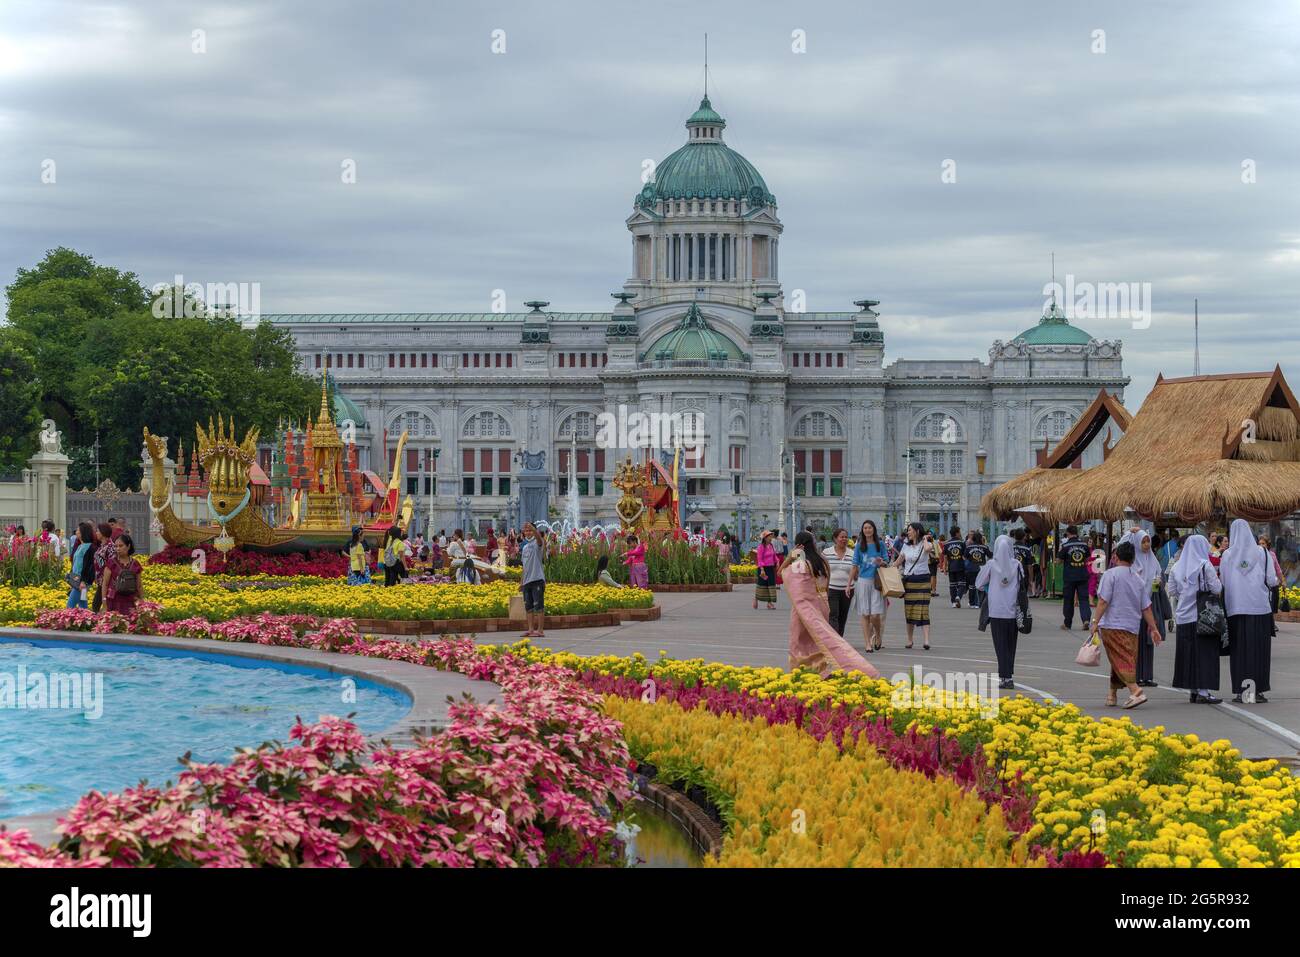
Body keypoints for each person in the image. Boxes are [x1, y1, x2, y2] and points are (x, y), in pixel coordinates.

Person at [780, 531, 878, 678]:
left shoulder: (801, 562)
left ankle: (801, 671)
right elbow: (827, 581)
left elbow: (783, 573)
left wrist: (790, 557)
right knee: (819, 639)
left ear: (799, 545)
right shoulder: (822, 559)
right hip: (822, 603)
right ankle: (821, 670)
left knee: (799, 640)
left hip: (804, 606)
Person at [1091, 540, 1163, 709]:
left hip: (1112, 624)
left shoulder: (1110, 575)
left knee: (1120, 659)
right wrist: (1153, 627)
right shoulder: (1137, 578)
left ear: (1116, 556)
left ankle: (1135, 691)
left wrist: (1095, 622)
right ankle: (1112, 694)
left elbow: (1103, 601)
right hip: (1132, 626)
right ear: (1133, 558)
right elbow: (1146, 606)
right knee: (1122, 658)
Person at [1222, 518, 1278, 703]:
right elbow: (1271, 580)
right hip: (1259, 608)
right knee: (1259, 651)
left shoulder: (1227, 555)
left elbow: (1222, 581)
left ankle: (1242, 692)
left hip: (1235, 608)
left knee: (1239, 651)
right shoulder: (1263, 552)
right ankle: (1258, 691)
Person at [1167, 534, 1222, 704]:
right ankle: (1204, 692)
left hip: (1183, 617)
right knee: (1205, 654)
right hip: (1203, 618)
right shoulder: (1205, 566)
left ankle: (1193, 690)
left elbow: (1172, 591)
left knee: (1188, 655)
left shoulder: (1177, 566)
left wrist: (1186, 594)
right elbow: (1217, 588)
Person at [976, 535, 1024, 689]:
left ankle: (1005, 677)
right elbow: (1022, 583)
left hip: (996, 610)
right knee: (1011, 645)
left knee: (1000, 645)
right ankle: (1008, 674)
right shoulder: (1017, 564)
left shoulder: (991, 564)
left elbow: (979, 584)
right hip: (1012, 610)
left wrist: (991, 588)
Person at [1123, 528, 1166, 688]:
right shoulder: (1132, 560)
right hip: (1134, 607)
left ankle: (1147, 676)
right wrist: (1130, 532)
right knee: (1136, 642)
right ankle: (1136, 676)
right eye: (1143, 541)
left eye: (1148, 541)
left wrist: (1157, 582)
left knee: (1149, 642)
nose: (1147, 544)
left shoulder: (1152, 559)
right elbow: (1123, 544)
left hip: (1149, 605)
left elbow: (1159, 576)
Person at [894, 521, 934, 650]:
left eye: (910, 530)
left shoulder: (926, 544)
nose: (908, 532)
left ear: (917, 531)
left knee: (923, 610)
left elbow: (928, 550)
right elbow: (898, 561)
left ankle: (926, 640)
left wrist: (925, 539)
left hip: (923, 581)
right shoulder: (906, 546)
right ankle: (910, 640)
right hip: (909, 581)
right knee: (909, 610)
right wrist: (886, 567)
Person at [852, 519, 888, 653]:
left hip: (877, 582)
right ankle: (867, 643)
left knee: (875, 615)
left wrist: (881, 562)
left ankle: (878, 635)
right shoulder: (859, 545)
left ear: (874, 529)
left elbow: (886, 560)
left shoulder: (881, 545)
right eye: (865, 528)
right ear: (862, 530)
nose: (867, 530)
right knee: (865, 614)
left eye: (869, 527)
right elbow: (855, 564)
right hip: (863, 582)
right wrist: (849, 582)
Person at [821, 528, 856, 636]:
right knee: (833, 615)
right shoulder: (826, 553)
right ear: (835, 539)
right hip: (832, 589)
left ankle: (839, 638)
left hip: (848, 590)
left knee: (843, 616)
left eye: (846, 537)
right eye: (841, 537)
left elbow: (856, 571)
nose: (844, 539)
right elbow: (822, 570)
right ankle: (834, 640)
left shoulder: (852, 553)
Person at [1058, 525, 1092, 630]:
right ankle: (1086, 620)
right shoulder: (1084, 545)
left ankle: (1067, 624)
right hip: (1082, 575)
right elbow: (1087, 559)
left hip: (1069, 576)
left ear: (1068, 533)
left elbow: (1059, 561)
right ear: (1077, 533)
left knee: (1068, 600)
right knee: (1084, 599)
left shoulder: (1065, 546)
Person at [101, 533, 143, 616]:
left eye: (121, 546)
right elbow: (105, 584)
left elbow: (139, 586)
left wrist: (142, 603)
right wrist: (104, 603)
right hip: (113, 601)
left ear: (128, 546)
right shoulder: (111, 563)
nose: (118, 549)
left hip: (130, 602)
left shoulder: (135, 564)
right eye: (116, 546)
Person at [519, 522, 547, 639]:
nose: (528, 532)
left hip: (537, 579)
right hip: (527, 581)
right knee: (528, 607)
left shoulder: (537, 544)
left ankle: (540, 630)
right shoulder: (525, 547)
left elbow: (540, 540)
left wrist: (533, 529)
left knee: (538, 606)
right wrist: (521, 582)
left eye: (530, 530)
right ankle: (530, 629)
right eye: (526, 531)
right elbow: (524, 567)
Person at [66, 522, 95, 609]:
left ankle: (67, 622)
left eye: (78, 530)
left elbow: (90, 566)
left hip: (81, 582)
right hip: (76, 580)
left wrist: (83, 581)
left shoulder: (90, 547)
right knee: (82, 604)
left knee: (69, 606)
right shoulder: (80, 546)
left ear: (83, 532)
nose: (76, 531)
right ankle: (86, 622)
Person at [90, 522, 114, 612]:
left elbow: (112, 565)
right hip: (101, 581)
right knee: (96, 605)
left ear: (103, 533)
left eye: (98, 531)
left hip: (107, 582)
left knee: (97, 605)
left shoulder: (110, 547)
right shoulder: (102, 546)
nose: (96, 533)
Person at [963, 531, 991, 609]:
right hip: (982, 568)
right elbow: (990, 555)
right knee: (982, 585)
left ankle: (972, 603)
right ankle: (980, 602)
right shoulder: (984, 547)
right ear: (981, 538)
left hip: (971, 568)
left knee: (972, 586)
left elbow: (964, 556)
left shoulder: (969, 547)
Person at [942, 526, 966, 607]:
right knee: (962, 583)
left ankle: (953, 602)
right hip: (960, 566)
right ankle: (958, 596)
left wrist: (944, 568)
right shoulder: (962, 543)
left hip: (951, 566)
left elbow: (945, 557)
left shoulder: (947, 544)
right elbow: (964, 556)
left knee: (952, 585)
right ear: (956, 533)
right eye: (959, 531)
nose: (960, 533)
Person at [754, 530, 779, 610]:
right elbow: (759, 559)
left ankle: (769, 603)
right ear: (765, 538)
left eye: (771, 536)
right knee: (762, 584)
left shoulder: (771, 545)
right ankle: (756, 599)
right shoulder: (761, 547)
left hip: (770, 568)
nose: (771, 538)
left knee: (771, 585)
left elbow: (774, 555)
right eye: (769, 536)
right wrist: (762, 569)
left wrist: (777, 561)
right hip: (763, 569)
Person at [1259, 534, 1283, 616]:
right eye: (1260, 544)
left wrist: (1282, 581)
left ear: (1267, 544)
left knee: (1272, 602)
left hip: (1271, 582)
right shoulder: (1256, 555)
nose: (1261, 545)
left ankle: (1272, 622)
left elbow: (1278, 569)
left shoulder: (1272, 554)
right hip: (1261, 583)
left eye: (1263, 543)